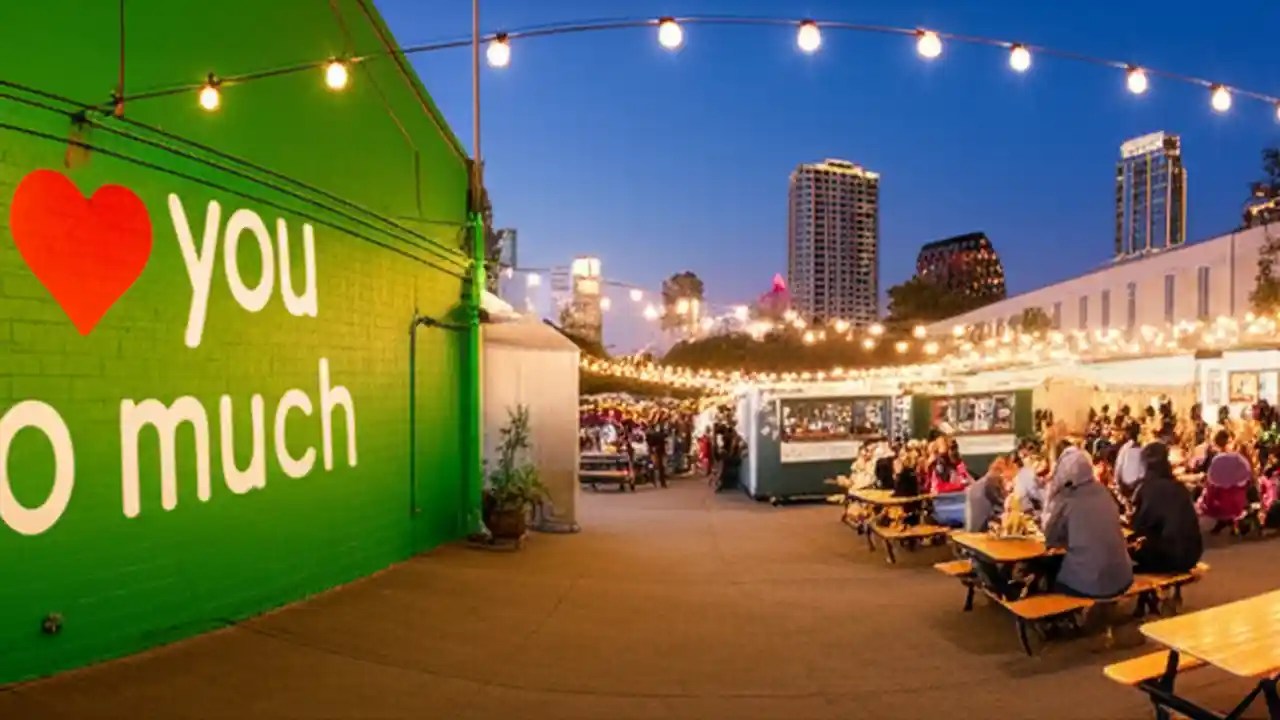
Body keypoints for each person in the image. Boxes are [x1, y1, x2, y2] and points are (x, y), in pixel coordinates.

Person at [1043, 448, 1134, 598]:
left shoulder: (1066, 499)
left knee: (1049, 574)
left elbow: (1051, 539)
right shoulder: (1103, 491)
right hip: (1122, 577)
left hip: (1090, 583)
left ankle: (1058, 619)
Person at [1129, 443, 1203, 574]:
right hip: (1191, 554)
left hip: (1167, 557)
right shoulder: (1179, 487)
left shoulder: (1148, 488)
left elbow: (1139, 526)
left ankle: (1145, 592)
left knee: (1130, 548)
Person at [1198, 441, 1251, 532]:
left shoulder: (1224, 460)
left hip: (1223, 502)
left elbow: (1212, 482)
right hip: (1235, 502)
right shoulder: (1241, 462)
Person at [964, 457, 1011, 532]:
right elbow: (1002, 504)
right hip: (982, 527)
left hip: (973, 527)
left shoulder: (981, 482)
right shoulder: (991, 481)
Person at [1114, 422, 1144, 498]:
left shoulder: (1125, 448)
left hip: (1128, 489)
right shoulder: (1144, 447)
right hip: (1140, 488)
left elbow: (1118, 468)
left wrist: (1118, 485)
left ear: (1128, 433)